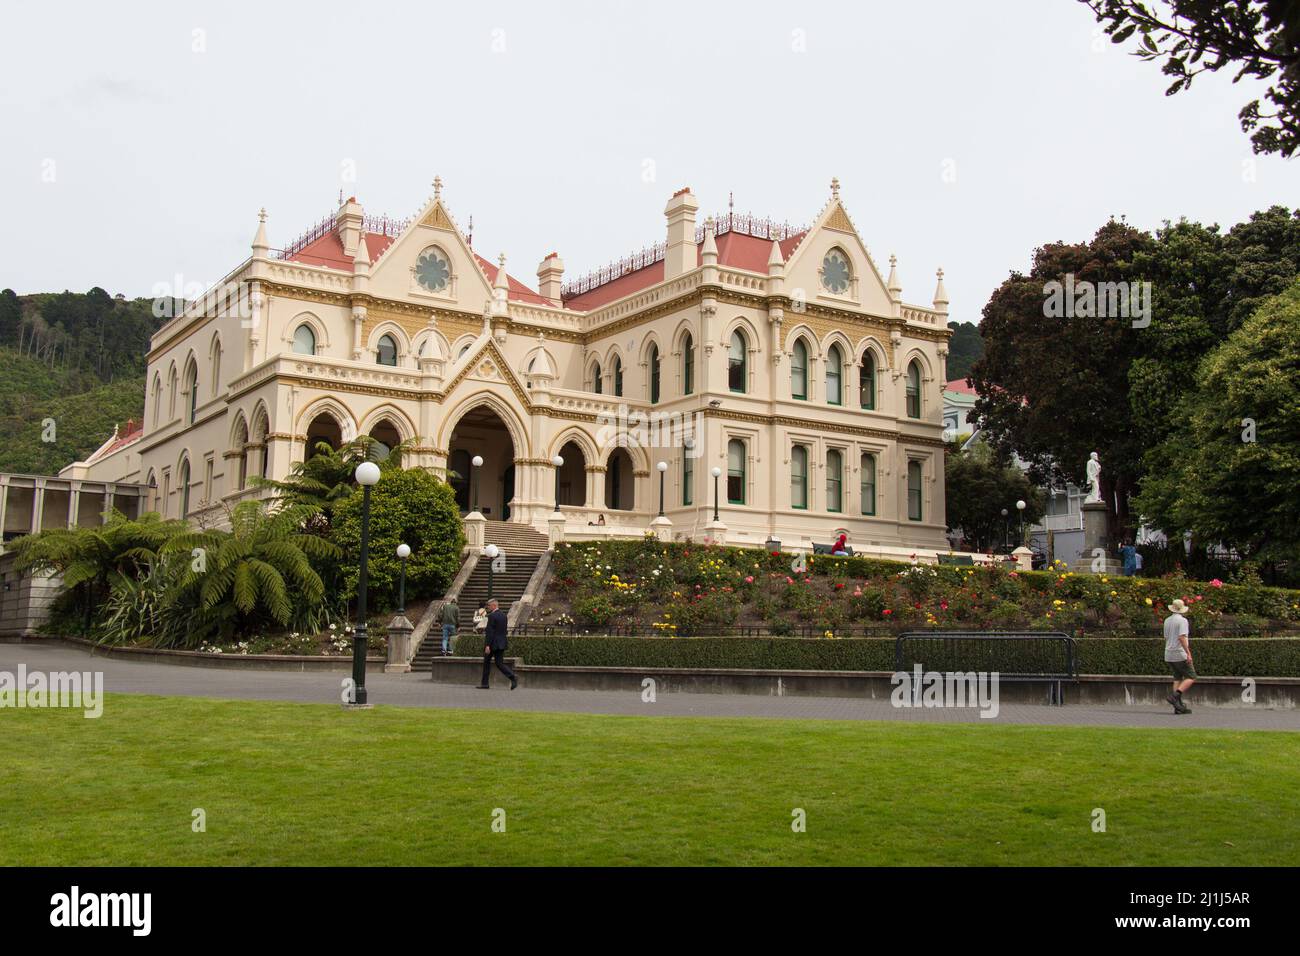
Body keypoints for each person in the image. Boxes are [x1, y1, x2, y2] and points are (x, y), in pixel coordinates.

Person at [477, 598, 518, 690]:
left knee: (487, 662)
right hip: (501, 642)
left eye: (489, 605)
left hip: (492, 644)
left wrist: (487, 645)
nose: (488, 607)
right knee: (499, 663)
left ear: (494, 605)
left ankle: (485, 684)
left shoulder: (491, 616)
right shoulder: (504, 615)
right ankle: (512, 677)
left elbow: (490, 632)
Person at [1164, 598, 1195, 715]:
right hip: (1179, 653)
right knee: (1191, 676)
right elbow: (1182, 637)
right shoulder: (1182, 621)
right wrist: (1188, 653)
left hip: (1168, 653)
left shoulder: (1167, 620)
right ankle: (1175, 696)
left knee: (1177, 677)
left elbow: (1166, 637)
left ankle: (1178, 706)